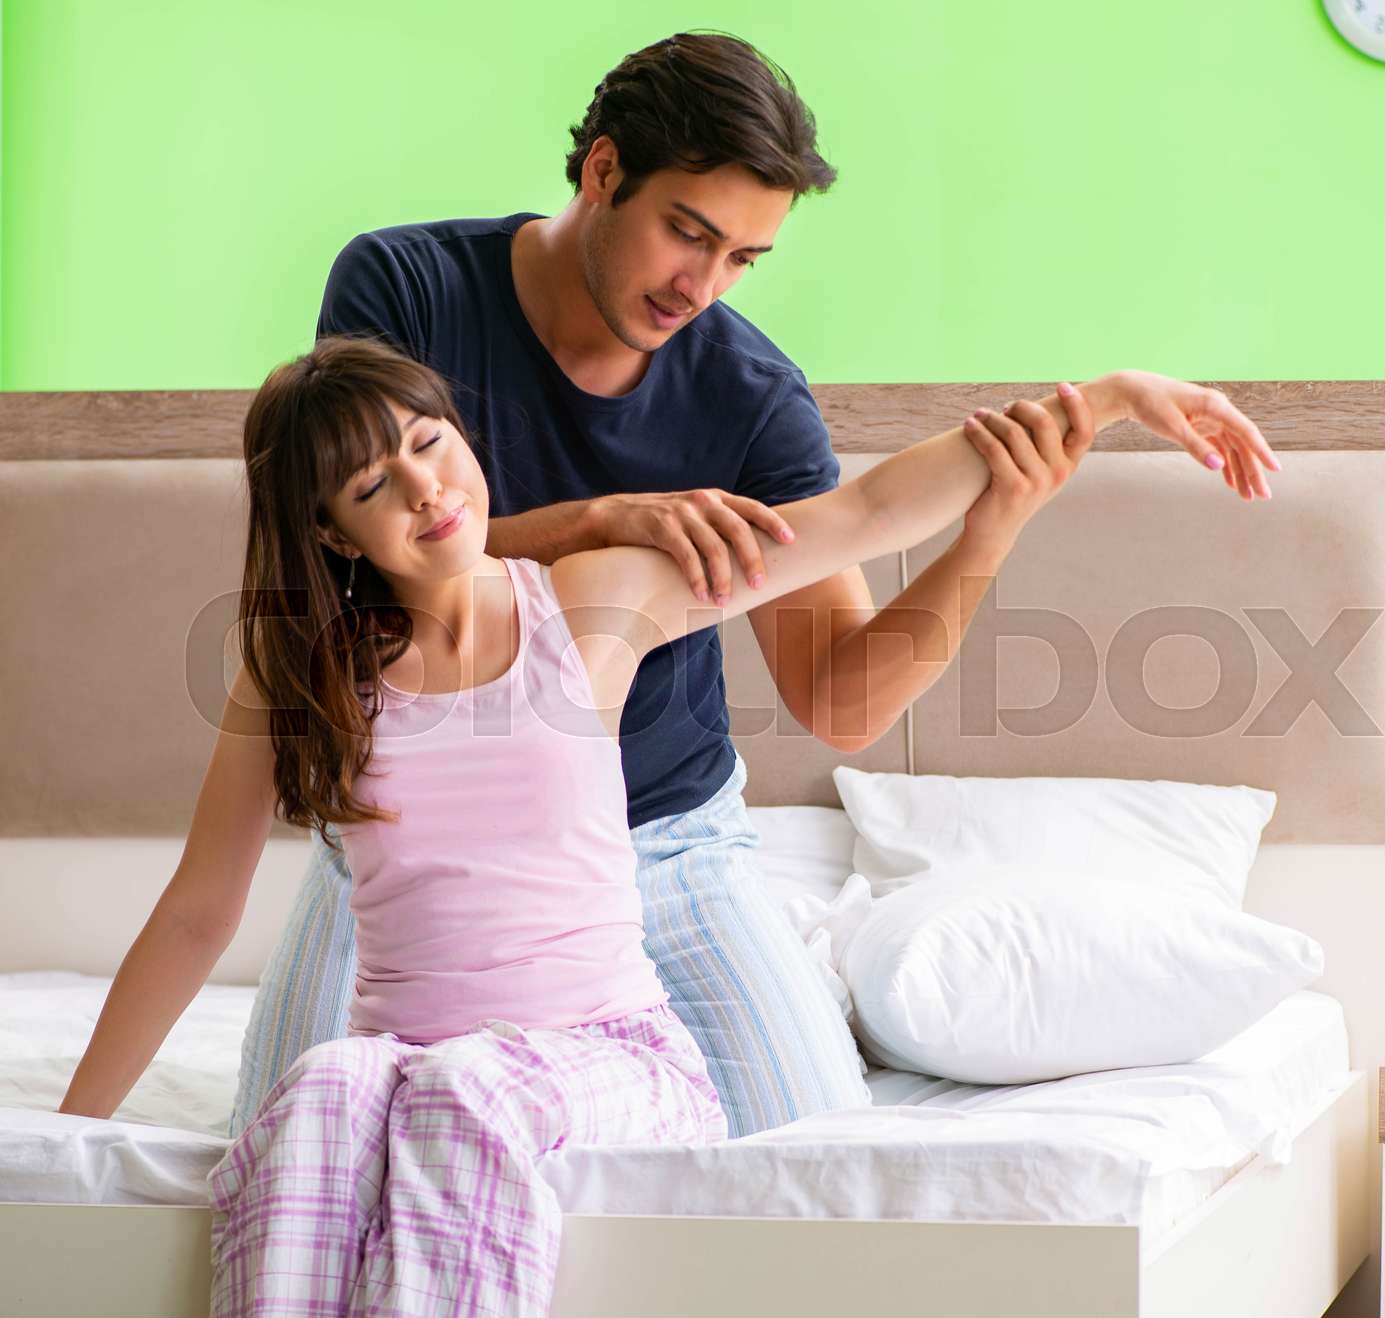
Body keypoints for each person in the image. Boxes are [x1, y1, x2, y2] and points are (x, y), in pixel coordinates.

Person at [233, 29, 1282, 1142]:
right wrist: (602, 521)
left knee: (819, 1165)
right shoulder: (405, 290)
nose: (703, 284)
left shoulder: (754, 400)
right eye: (687, 232)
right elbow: (357, 581)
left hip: (666, 839)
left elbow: (841, 697)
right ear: (601, 172)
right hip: (412, 835)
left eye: (742, 257)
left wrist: (993, 527)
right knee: (281, 1140)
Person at [59, 331, 1107, 1314]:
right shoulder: (302, 676)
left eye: (430, 441)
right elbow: (199, 911)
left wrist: (1101, 408)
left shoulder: (586, 606)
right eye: (374, 483)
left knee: (465, 1090)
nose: (426, 486)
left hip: (614, 1056)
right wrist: (65, 1137)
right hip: (407, 1061)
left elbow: (863, 513)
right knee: (321, 1086)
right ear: (331, 529)